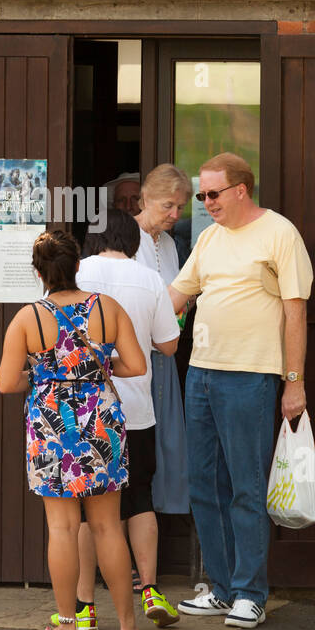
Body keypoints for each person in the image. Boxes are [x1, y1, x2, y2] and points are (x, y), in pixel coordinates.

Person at [168, 152, 313, 628]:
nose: (206, 202)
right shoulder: (208, 238)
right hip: (201, 374)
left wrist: (294, 381)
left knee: (246, 488)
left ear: (240, 190)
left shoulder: (279, 233)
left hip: (251, 376)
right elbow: (177, 296)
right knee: (203, 485)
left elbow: (295, 311)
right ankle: (222, 588)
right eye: (201, 195)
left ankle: (251, 593)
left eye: (213, 193)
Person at [0, 230, 148, 630]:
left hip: (51, 425)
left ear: (38, 272)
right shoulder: (108, 308)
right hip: (101, 420)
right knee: (108, 527)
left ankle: (66, 627)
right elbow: (136, 366)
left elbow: (7, 383)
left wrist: (41, 373)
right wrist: (97, 365)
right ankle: (130, 628)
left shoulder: (27, 317)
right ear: (78, 265)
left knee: (62, 529)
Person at [75, 209, 182, 630]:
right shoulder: (149, 279)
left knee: (86, 509)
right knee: (139, 498)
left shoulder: (75, 273)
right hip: (134, 409)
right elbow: (169, 346)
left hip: (82, 411)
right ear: (132, 241)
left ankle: (84, 607)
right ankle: (150, 588)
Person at [134, 164, 192, 516]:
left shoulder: (170, 243)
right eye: (167, 205)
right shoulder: (124, 237)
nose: (174, 214)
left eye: (181, 208)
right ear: (145, 198)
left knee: (165, 446)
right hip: (134, 358)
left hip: (165, 358)